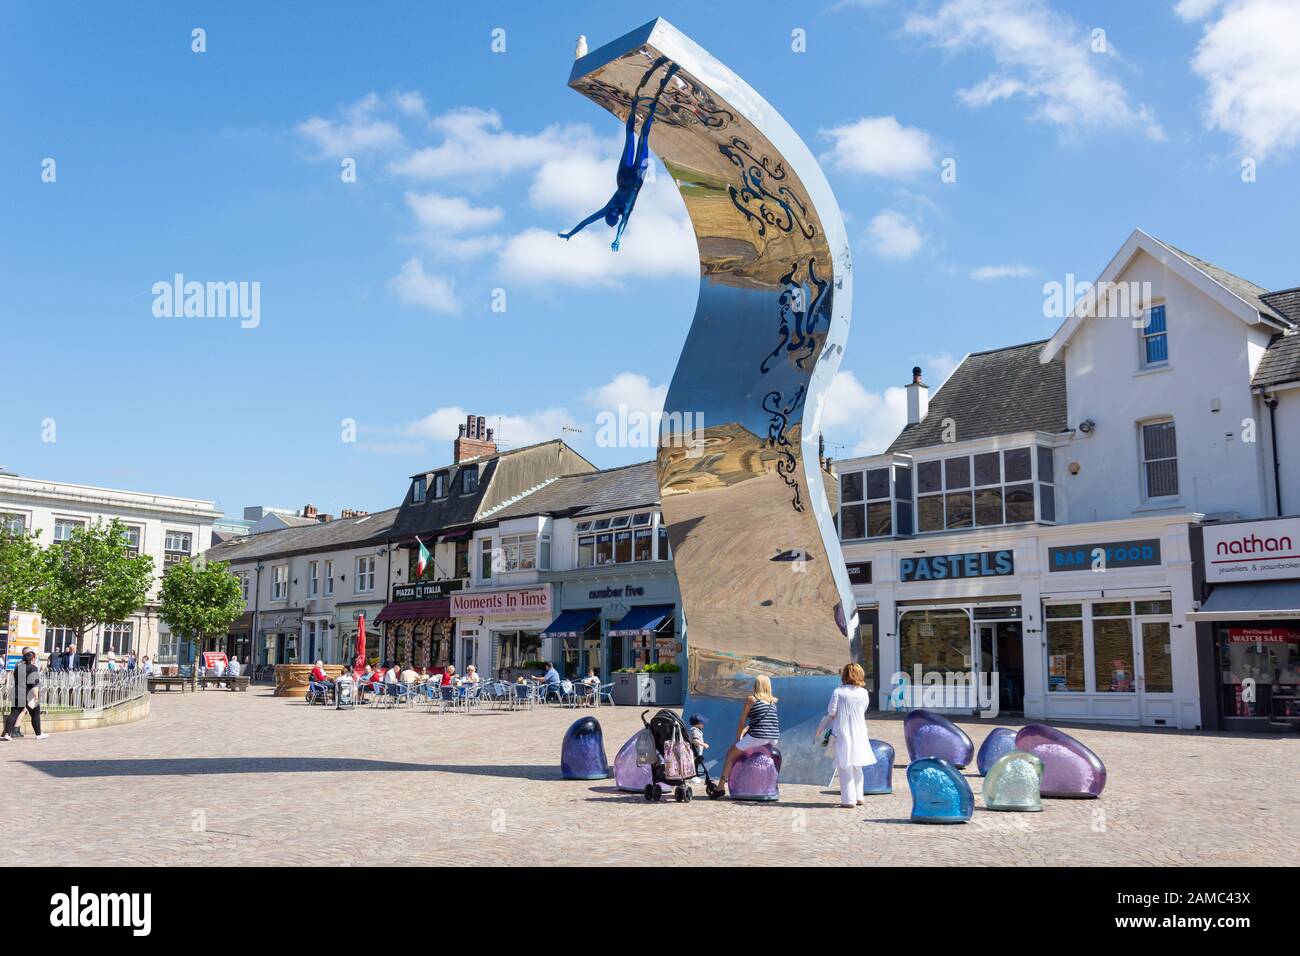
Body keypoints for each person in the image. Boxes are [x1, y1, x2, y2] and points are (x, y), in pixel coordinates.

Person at [557, 60, 680, 251]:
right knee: (642, 138)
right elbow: (622, 225)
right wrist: (618, 238)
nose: (614, 209)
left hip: (624, 178)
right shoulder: (625, 211)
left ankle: (637, 101)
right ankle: (659, 90)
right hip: (636, 177)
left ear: (609, 214)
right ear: (617, 215)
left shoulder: (608, 209)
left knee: (630, 136)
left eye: (611, 212)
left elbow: (588, 221)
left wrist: (571, 233)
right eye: (615, 213)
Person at [815, 663, 875, 808]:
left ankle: (848, 800)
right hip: (860, 732)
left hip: (843, 732)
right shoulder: (864, 693)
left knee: (845, 765)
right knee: (857, 765)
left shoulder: (839, 691)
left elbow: (831, 712)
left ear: (845, 676)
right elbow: (863, 709)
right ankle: (859, 796)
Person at [714, 675, 781, 797]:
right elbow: (764, 721)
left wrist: (738, 737)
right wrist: (747, 729)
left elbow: (742, 720)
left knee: (730, 754)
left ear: (756, 686)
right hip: (773, 737)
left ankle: (720, 787)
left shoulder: (751, 699)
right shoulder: (773, 702)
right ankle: (770, 786)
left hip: (758, 736)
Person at [2, 648, 49, 741]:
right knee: (35, 713)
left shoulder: (19, 667)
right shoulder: (33, 668)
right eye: (34, 657)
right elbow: (34, 683)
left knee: (14, 713)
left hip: (16, 693)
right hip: (28, 695)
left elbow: (15, 678)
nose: (35, 659)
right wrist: (36, 695)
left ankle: (7, 734)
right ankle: (38, 734)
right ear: (32, 658)